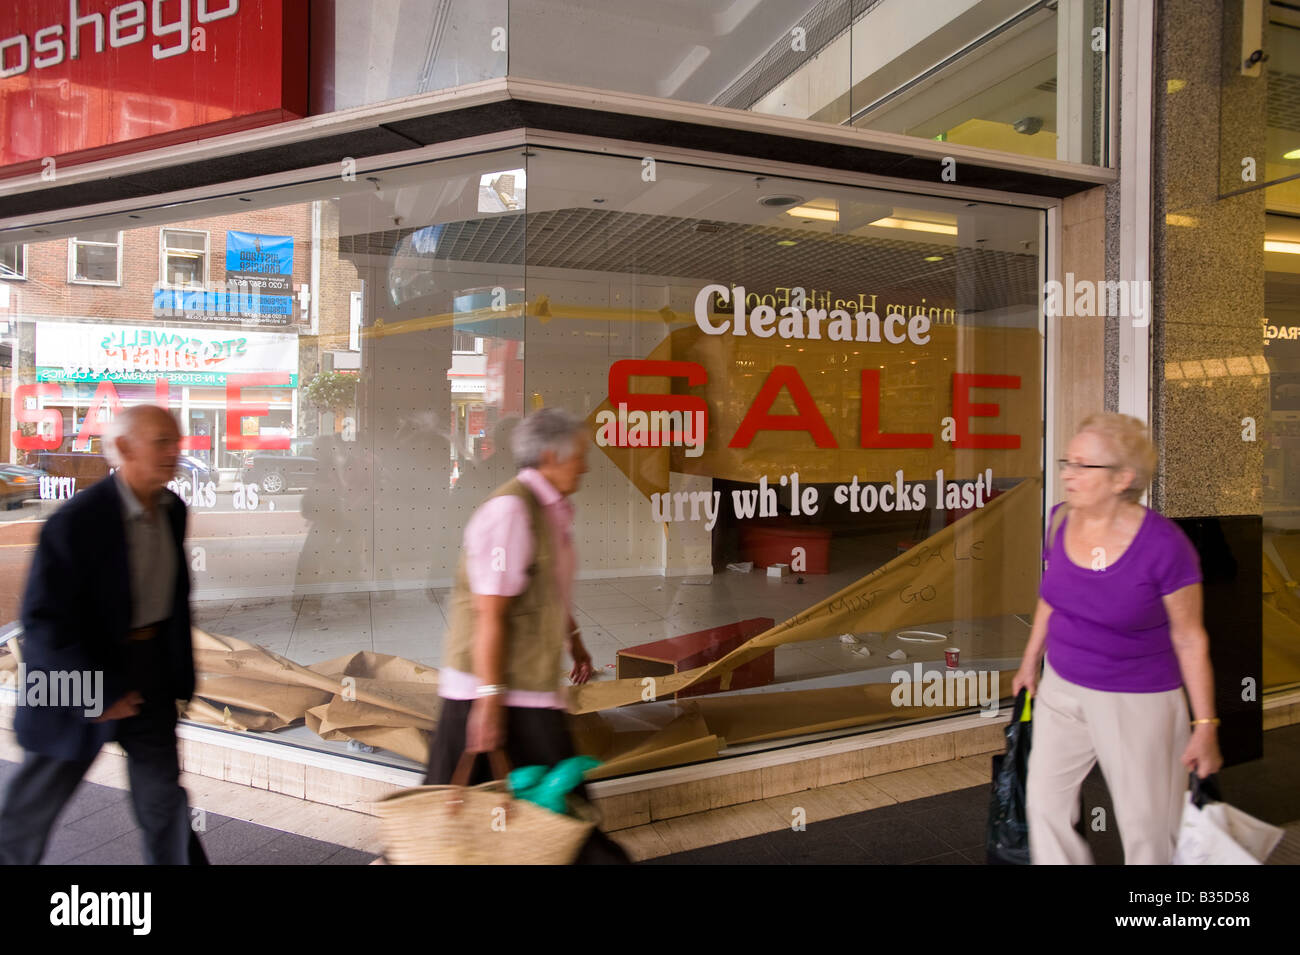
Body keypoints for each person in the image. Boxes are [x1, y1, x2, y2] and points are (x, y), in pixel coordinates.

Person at [1012, 412, 1222, 864]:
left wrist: (1205, 727)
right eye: (1067, 461)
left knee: (1147, 830)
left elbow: (1190, 639)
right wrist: (1031, 660)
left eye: (1083, 466)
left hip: (1136, 697)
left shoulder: (1164, 546)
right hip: (1062, 687)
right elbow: (1054, 598)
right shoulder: (1059, 521)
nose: (1066, 473)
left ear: (1122, 478)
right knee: (1044, 807)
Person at [423, 407, 628, 864]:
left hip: (523, 690)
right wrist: (489, 701)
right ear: (552, 455)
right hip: (489, 695)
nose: (587, 465)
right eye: (580, 455)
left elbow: (544, 590)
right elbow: (490, 612)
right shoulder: (512, 511)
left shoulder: (550, 511)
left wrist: (574, 640)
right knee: (561, 826)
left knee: (483, 822)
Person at [0, 404, 203, 865]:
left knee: (163, 802)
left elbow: (173, 602)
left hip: (148, 672)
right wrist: (98, 693)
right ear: (126, 449)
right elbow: (44, 621)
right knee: (35, 802)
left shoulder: (172, 511)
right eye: (162, 443)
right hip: (74, 674)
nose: (175, 452)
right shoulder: (77, 522)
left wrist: (179, 678)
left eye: (177, 442)